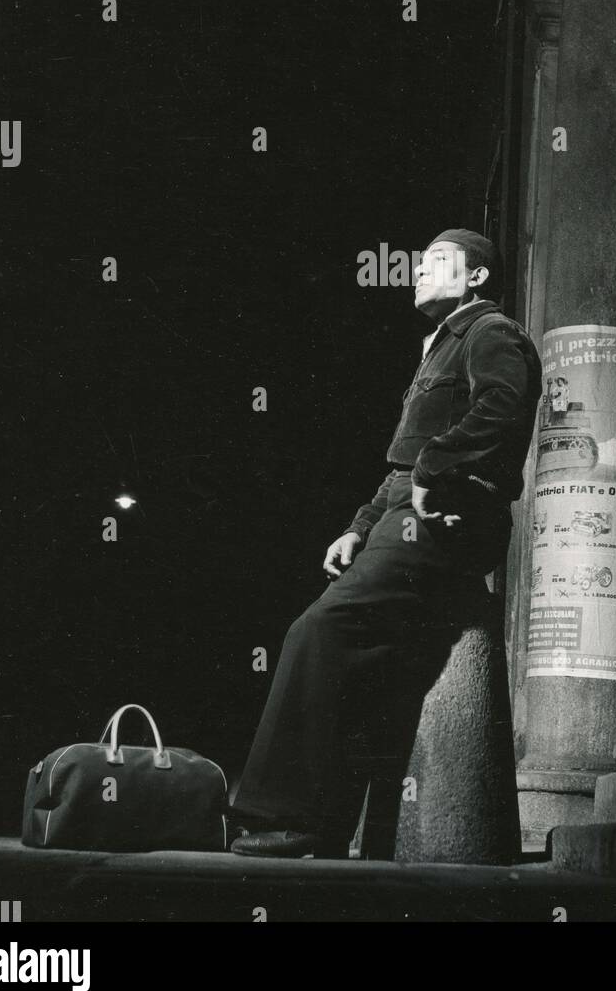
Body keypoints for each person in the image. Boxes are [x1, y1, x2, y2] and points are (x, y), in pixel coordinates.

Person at [229, 228, 542, 857]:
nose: (417, 273)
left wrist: (436, 468)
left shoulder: (491, 332)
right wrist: (358, 526)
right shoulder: (438, 347)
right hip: (408, 508)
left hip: (452, 511)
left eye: (435, 263)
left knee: (318, 630)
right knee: (363, 659)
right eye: (417, 265)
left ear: (476, 276)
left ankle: (276, 815)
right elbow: (401, 465)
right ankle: (326, 824)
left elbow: (506, 408)